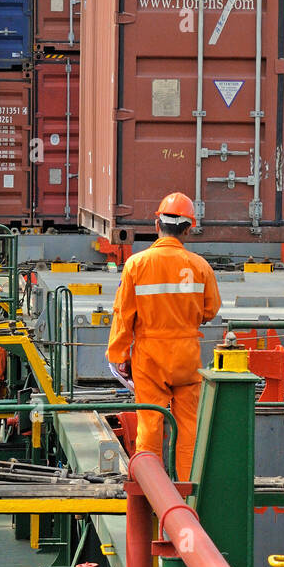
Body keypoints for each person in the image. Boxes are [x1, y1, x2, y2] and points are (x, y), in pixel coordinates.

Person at [107, 192, 222, 481]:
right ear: (188, 229)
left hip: (150, 358)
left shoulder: (137, 264)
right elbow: (211, 310)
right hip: (187, 357)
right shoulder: (200, 267)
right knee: (189, 427)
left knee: (150, 423)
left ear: (157, 224)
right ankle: (188, 491)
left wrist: (118, 355)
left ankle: (151, 489)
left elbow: (124, 315)